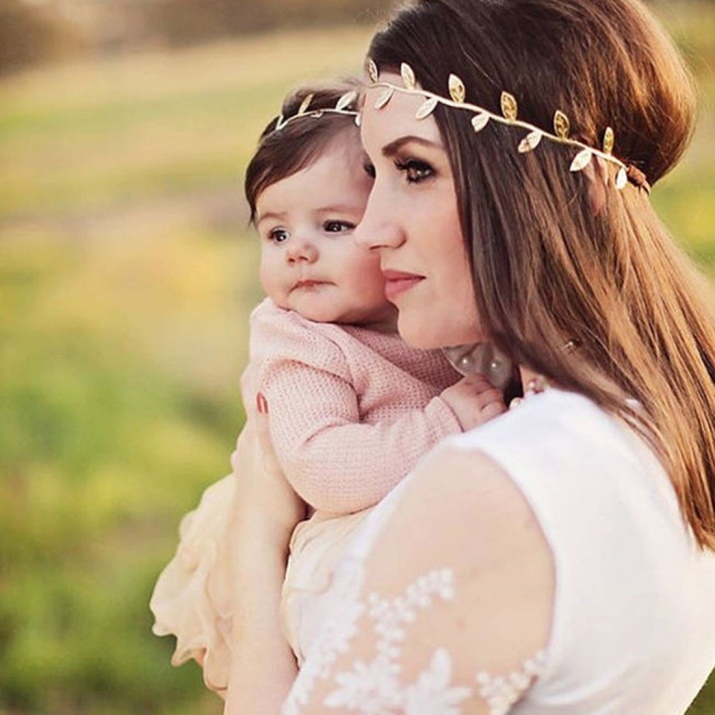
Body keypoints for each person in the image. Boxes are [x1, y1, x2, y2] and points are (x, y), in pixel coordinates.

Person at [235, 0, 715, 713]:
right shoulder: (663, 405)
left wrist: (254, 535)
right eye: (373, 172)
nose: (369, 228)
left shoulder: (490, 489)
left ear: (567, 192)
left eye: (415, 170)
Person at [150, 80, 508, 708]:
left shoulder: (414, 315)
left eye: (334, 224)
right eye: (276, 233)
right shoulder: (299, 344)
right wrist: (441, 425)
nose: (300, 251)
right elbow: (324, 467)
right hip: (311, 566)